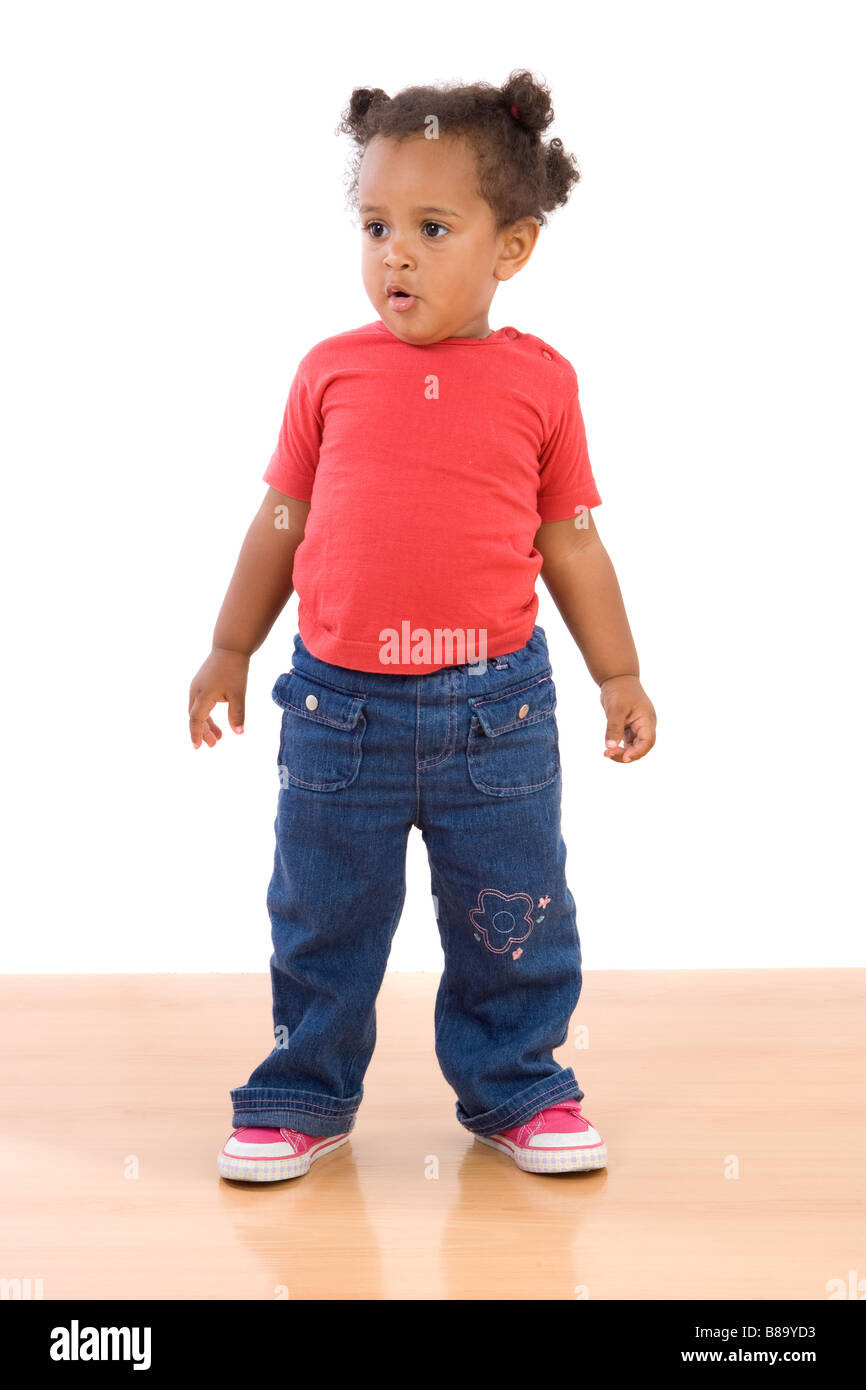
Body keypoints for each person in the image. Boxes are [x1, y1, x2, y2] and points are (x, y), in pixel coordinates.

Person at [189, 69, 657, 1182]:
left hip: (493, 717)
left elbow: (571, 542)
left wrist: (619, 673)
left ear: (512, 249)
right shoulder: (329, 372)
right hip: (336, 714)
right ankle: (302, 1091)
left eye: (430, 228)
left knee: (512, 917)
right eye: (375, 226)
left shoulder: (540, 383)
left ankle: (518, 1085)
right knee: (321, 920)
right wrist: (229, 647)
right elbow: (280, 518)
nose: (392, 253)